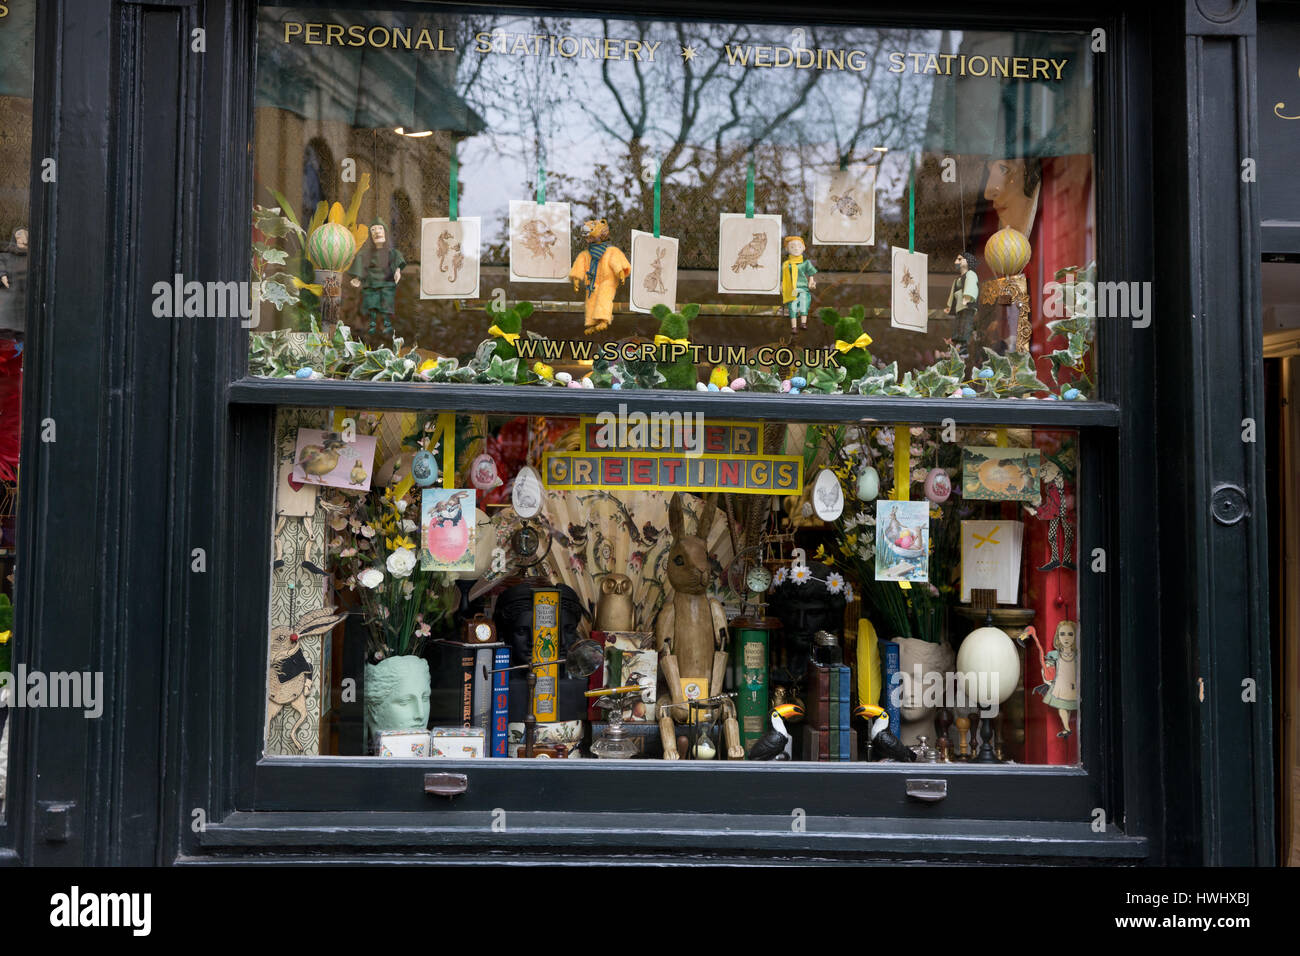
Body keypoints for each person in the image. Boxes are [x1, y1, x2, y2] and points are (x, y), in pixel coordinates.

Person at [349, 220, 405, 336]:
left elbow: (397, 258)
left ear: (385, 231)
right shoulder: (366, 254)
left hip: (387, 283)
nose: (377, 232)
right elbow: (360, 261)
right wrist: (357, 278)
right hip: (371, 283)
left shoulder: (392, 252)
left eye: (380, 228)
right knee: (372, 303)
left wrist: (398, 271)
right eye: (373, 230)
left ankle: (387, 324)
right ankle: (372, 324)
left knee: (387, 304)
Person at [945, 251, 980, 346]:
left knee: (965, 324)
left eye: (960, 259)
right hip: (959, 306)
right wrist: (949, 306)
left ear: (967, 261)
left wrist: (968, 297)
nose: (957, 261)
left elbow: (971, 286)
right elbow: (953, 292)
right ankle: (957, 342)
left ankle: (964, 344)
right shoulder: (957, 279)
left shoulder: (971, 274)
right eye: (957, 259)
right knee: (958, 324)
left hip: (967, 305)